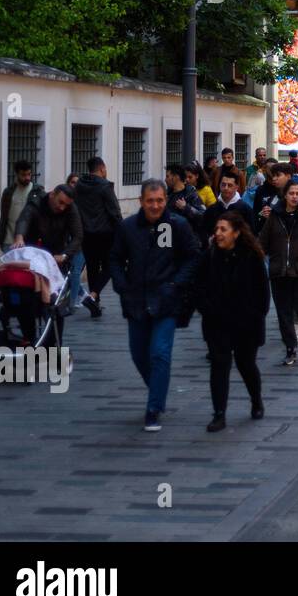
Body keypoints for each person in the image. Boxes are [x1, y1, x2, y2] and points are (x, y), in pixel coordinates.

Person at [108, 179, 203, 432]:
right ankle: (157, 391)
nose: (155, 205)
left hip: (166, 301)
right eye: (150, 201)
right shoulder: (128, 228)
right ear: (141, 201)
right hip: (136, 301)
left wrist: (176, 284)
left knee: (160, 353)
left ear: (166, 200)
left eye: (160, 200)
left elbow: (193, 257)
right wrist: (121, 285)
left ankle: (153, 408)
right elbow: (115, 259)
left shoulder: (176, 225)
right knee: (139, 354)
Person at [196, 213, 269, 432]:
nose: (218, 233)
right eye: (216, 229)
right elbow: (198, 287)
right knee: (219, 366)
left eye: (223, 229)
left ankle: (256, 400)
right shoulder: (209, 257)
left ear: (236, 233)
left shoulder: (251, 257)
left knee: (246, 365)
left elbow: (262, 294)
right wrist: (206, 309)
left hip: (246, 324)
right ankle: (219, 414)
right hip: (217, 323)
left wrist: (256, 317)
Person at [259, 180, 298, 366]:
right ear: (285, 195)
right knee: (283, 312)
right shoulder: (274, 216)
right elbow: (263, 241)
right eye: (291, 193)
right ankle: (290, 347)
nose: (295, 197)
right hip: (279, 272)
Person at [72, 157, 122, 318]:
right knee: (111, 266)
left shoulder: (79, 185)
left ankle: (95, 303)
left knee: (92, 268)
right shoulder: (105, 186)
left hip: (86, 233)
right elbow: (114, 212)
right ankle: (93, 296)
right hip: (105, 233)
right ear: (102, 169)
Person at [14, 184, 83, 276]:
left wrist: (64, 255)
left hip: (56, 254)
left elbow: (77, 236)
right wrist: (19, 237)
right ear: (52, 195)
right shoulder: (37, 202)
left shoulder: (71, 208)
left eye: (66, 205)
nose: (62, 208)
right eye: (60, 202)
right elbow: (24, 219)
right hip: (33, 250)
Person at [0, 160, 45, 253]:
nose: (27, 177)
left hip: (30, 242)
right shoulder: (8, 192)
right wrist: (1, 239)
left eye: (29, 174)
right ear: (16, 174)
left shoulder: (38, 191)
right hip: (9, 242)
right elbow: (4, 216)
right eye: (23, 175)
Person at [202, 172, 256, 241]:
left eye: (230, 185)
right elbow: (204, 232)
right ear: (219, 185)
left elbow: (252, 236)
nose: (226, 188)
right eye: (223, 185)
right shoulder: (211, 210)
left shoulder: (245, 210)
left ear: (236, 187)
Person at [164, 164, 206, 235]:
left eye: (167, 176)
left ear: (176, 177)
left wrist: (186, 207)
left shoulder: (190, 194)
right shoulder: (167, 195)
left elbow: (203, 215)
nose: (165, 180)